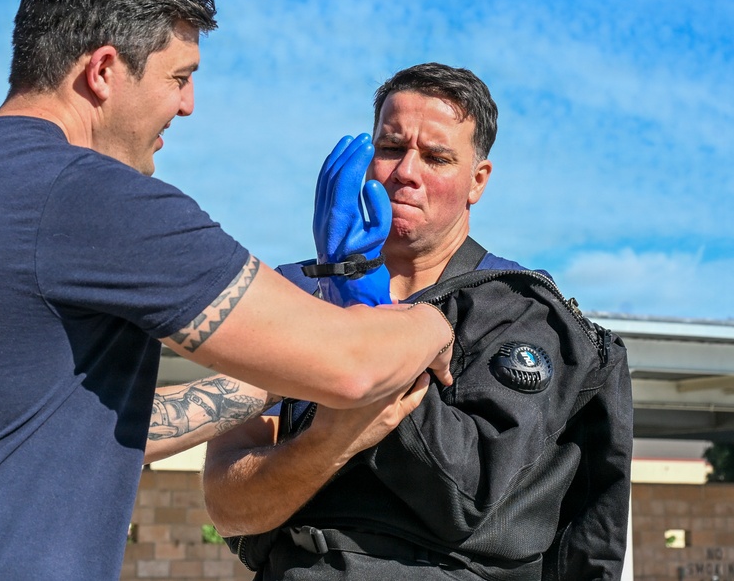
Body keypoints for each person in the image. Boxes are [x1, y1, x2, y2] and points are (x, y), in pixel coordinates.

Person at [0, 0, 457, 581]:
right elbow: (350, 369)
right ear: (104, 70)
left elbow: (66, 427)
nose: (188, 105)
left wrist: (273, 378)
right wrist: (432, 322)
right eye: (180, 77)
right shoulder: (80, 195)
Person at [203, 63, 633, 580]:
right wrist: (328, 440)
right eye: (390, 148)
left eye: (437, 157)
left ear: (477, 181)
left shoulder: (524, 312)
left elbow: (461, 495)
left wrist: (363, 314)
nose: (407, 171)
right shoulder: (292, 292)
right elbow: (230, 505)